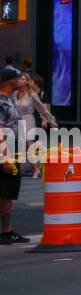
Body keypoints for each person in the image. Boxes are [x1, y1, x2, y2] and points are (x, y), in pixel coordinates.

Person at [0, 66, 28, 244]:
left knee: (7, 193)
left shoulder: (8, 100)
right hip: (7, 152)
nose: (21, 81)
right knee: (5, 191)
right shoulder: (2, 102)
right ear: (11, 81)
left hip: (13, 150)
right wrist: (5, 156)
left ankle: (7, 231)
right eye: (19, 78)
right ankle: (6, 231)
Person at [14, 72, 55, 177]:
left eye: (23, 79)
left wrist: (49, 119)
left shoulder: (31, 94)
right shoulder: (15, 94)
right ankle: (19, 167)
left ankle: (35, 168)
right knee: (18, 145)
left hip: (28, 120)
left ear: (27, 81)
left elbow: (42, 108)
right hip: (17, 120)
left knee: (29, 145)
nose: (20, 81)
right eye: (19, 79)